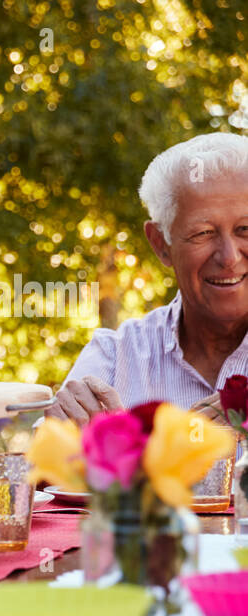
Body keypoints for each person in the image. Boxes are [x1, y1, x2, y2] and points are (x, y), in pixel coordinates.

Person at [48, 132, 248, 426]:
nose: (229, 257)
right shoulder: (114, 359)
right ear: (161, 244)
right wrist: (69, 435)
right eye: (202, 233)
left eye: (245, 229)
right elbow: (42, 465)